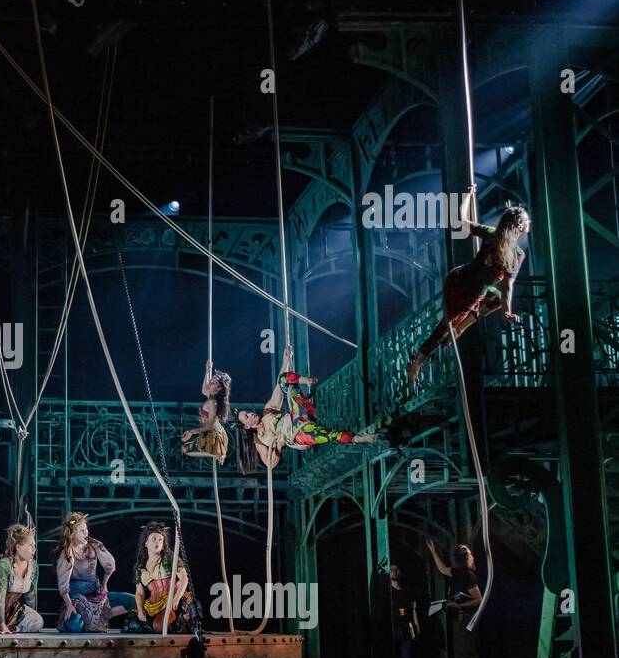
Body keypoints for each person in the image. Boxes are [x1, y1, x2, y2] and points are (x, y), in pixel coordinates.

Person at [406, 198, 531, 384]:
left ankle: (458, 329)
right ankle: (417, 363)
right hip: (470, 291)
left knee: (494, 299)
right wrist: (507, 312)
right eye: (527, 221)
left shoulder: (492, 235)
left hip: (459, 278)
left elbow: (462, 221)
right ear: (520, 227)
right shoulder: (517, 253)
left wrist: (467, 197)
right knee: (445, 327)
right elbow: (508, 286)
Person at [235, 345, 376, 473]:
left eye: (248, 412)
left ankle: (305, 380)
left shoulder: (268, 411)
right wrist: (278, 446)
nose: (250, 414)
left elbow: (279, 385)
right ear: (247, 426)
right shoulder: (258, 440)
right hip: (296, 435)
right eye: (246, 417)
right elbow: (270, 463)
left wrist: (286, 361)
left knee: (283, 379)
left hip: (298, 416)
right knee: (329, 435)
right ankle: (358, 438)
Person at [55, 511, 136, 633]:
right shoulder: (67, 554)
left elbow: (110, 565)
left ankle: (101, 616)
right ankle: (91, 619)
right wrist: (69, 604)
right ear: (73, 533)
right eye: (82, 530)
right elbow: (63, 584)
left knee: (134, 601)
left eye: (86, 529)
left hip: (96, 593)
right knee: (73, 626)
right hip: (77, 597)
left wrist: (104, 584)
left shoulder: (93, 546)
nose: (86, 533)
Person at [122, 521, 193, 634]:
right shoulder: (140, 566)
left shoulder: (168, 556)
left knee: (159, 626)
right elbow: (140, 592)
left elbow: (184, 578)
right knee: (131, 625)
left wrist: (176, 599)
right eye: (154, 539)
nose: (157, 542)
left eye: (160, 540)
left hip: (170, 601)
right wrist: (140, 610)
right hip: (151, 605)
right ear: (146, 542)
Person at [181, 368, 231, 463]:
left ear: (219, 388)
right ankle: (218, 454)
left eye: (213, 383)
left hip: (212, 434)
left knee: (186, 449)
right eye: (211, 380)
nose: (210, 383)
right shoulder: (211, 396)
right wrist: (207, 370)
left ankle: (218, 453)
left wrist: (192, 432)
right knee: (184, 446)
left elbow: (210, 426)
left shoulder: (212, 402)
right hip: (210, 430)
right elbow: (204, 390)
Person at [390, 562, 420, 658]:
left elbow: (412, 609)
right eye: (391, 570)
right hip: (393, 629)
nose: (394, 572)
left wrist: (416, 625)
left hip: (405, 629)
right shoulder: (388, 592)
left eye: (396, 569)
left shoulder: (406, 591)